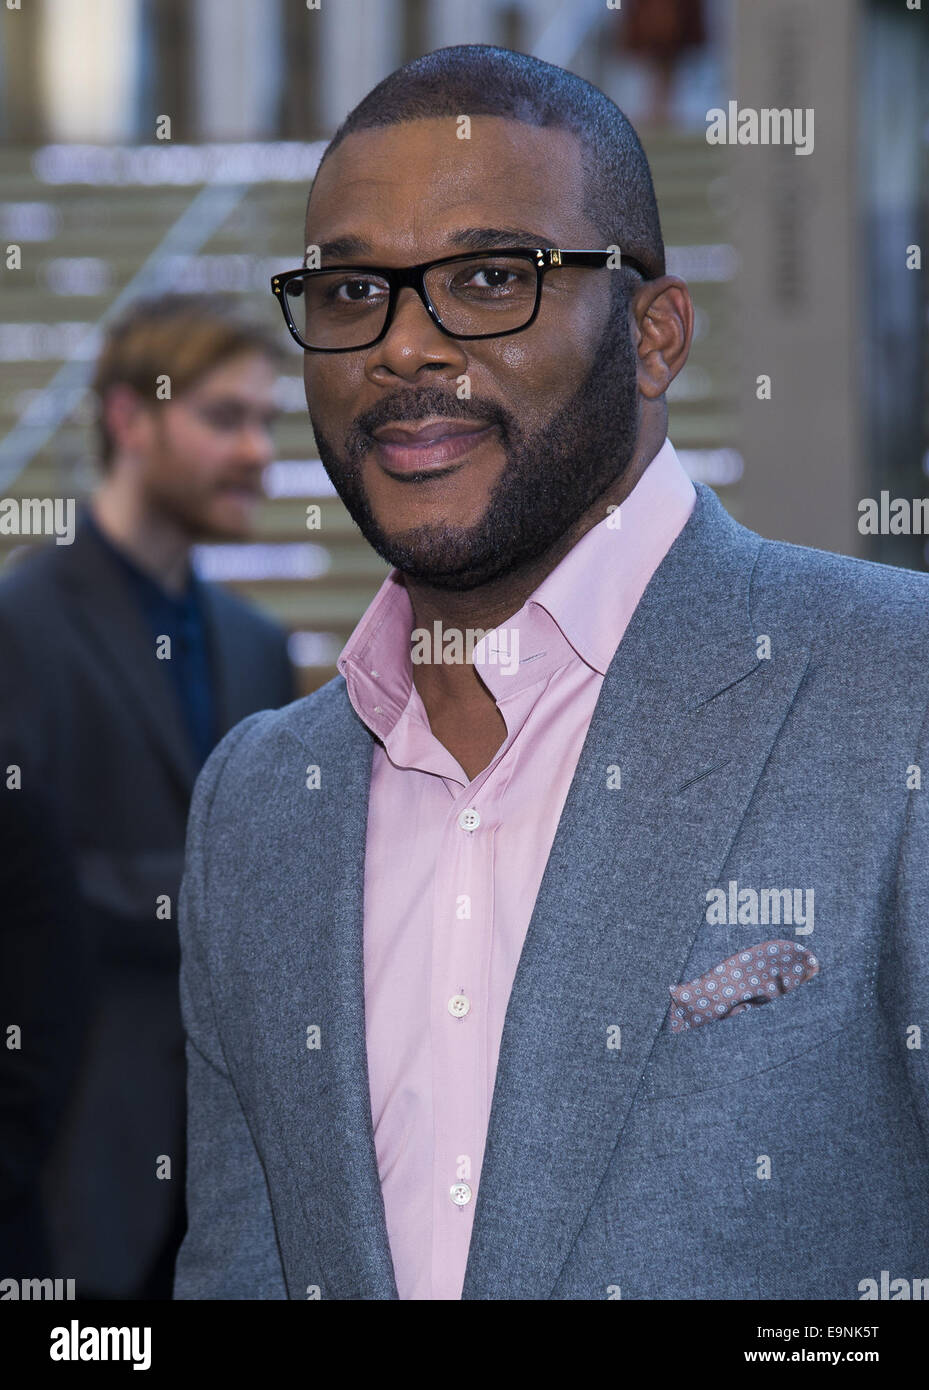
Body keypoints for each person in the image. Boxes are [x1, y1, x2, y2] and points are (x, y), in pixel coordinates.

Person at [173, 47, 929, 1301]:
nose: (405, 348)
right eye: (354, 289)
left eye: (487, 279)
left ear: (652, 333)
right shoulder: (254, 804)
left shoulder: (892, 687)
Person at [0, 293, 297, 1300]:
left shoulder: (259, 643)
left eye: (267, 422)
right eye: (225, 418)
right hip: (73, 1150)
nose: (258, 450)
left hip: (236, 1170)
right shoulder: (17, 623)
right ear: (128, 419)